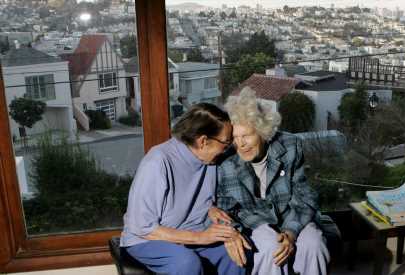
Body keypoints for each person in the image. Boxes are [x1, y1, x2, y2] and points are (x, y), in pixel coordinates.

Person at [120, 103, 250, 275]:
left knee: (237, 253)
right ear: (203, 141)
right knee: (186, 263)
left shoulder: (209, 159)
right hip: (147, 239)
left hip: (190, 231)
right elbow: (142, 227)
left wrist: (211, 209)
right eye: (225, 143)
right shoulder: (158, 162)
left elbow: (194, 200)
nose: (228, 148)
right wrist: (201, 238)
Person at [216, 88, 330, 275]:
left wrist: (291, 233)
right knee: (270, 247)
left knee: (314, 244)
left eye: (246, 136)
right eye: (235, 138)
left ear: (262, 131)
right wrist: (243, 230)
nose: (240, 144)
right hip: (253, 221)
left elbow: (305, 196)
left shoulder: (289, 146)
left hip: (291, 214)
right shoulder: (225, 161)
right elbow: (225, 209)